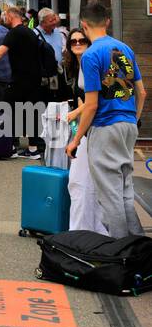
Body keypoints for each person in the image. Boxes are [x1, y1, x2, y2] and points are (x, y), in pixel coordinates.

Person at [66, 2, 147, 239]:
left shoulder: (91, 55)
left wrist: (76, 140)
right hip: (129, 124)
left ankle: (122, 252)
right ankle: (137, 249)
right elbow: (141, 93)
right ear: (107, 22)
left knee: (109, 198)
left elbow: (91, 105)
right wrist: (133, 120)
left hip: (105, 127)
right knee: (124, 192)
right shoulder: (125, 49)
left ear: (83, 25)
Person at [0, 3, 42, 156]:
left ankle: (9, 146)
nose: (4, 18)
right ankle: (32, 148)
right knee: (29, 111)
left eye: (5, 15)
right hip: (33, 79)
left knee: (5, 109)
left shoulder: (14, 33)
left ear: (11, 17)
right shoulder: (30, 32)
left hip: (19, 80)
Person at [62, 28, 107, 234]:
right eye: (73, 42)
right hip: (87, 129)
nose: (77, 44)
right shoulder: (75, 67)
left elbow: (92, 102)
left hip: (93, 130)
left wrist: (76, 132)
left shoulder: (90, 63)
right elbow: (83, 100)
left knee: (80, 183)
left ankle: (82, 231)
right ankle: (89, 230)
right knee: (84, 183)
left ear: (89, 42)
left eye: (82, 40)